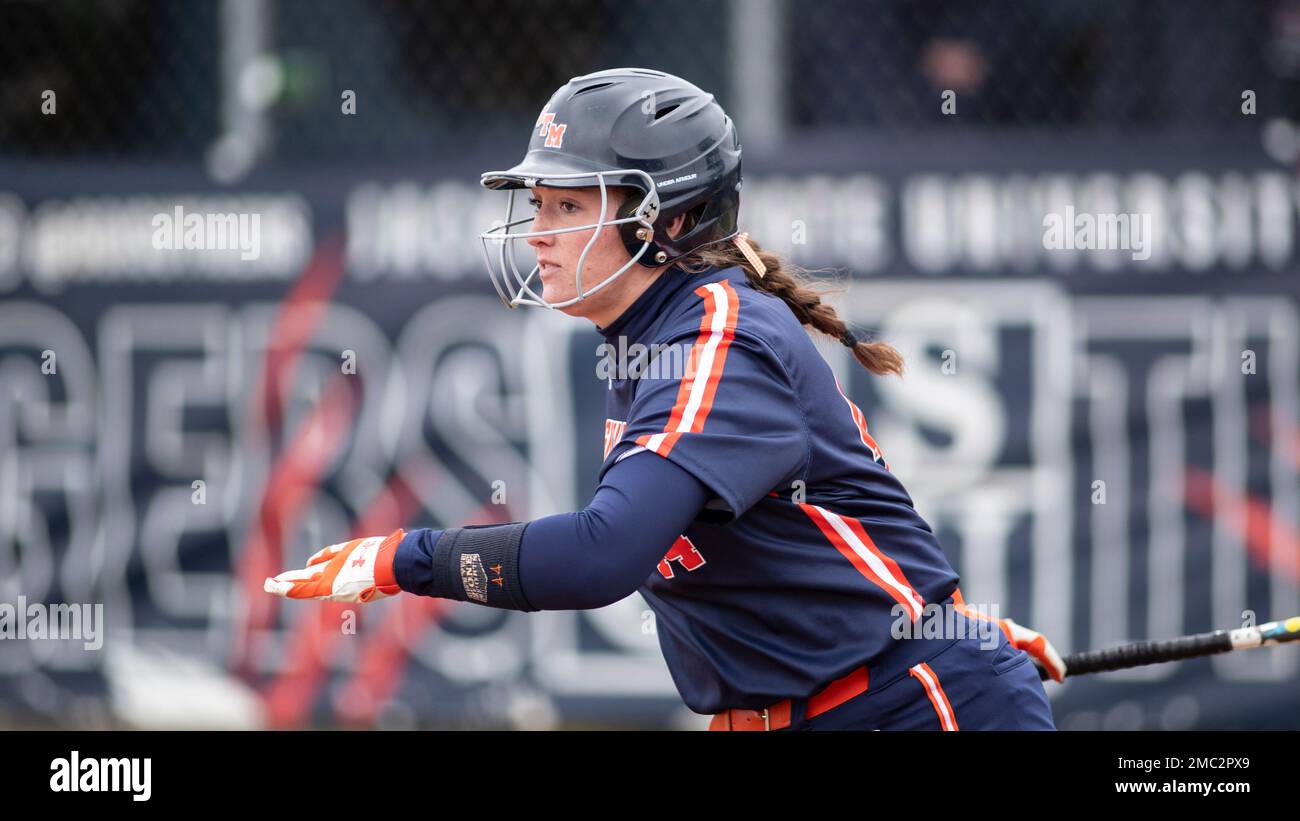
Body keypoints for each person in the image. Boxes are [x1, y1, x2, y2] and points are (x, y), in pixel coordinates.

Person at [265, 68, 1061, 731]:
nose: (538, 229)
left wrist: (406, 558)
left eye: (569, 206)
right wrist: (945, 624)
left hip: (912, 709)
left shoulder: (718, 337)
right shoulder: (652, 330)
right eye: (538, 203)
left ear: (669, 220)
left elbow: (599, 556)